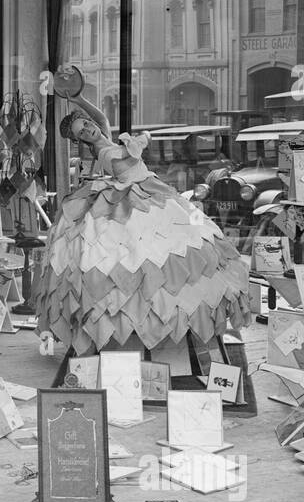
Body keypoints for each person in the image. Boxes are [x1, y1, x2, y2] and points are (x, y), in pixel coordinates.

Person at [33, 78, 251, 357]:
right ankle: (142, 320)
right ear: (81, 141)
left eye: (86, 125)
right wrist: (140, 141)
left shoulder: (104, 135)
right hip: (135, 198)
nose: (88, 129)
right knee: (139, 255)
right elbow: (128, 157)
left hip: (153, 189)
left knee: (191, 241)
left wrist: (77, 99)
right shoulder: (103, 153)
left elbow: (100, 117)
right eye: (82, 133)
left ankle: (184, 317)